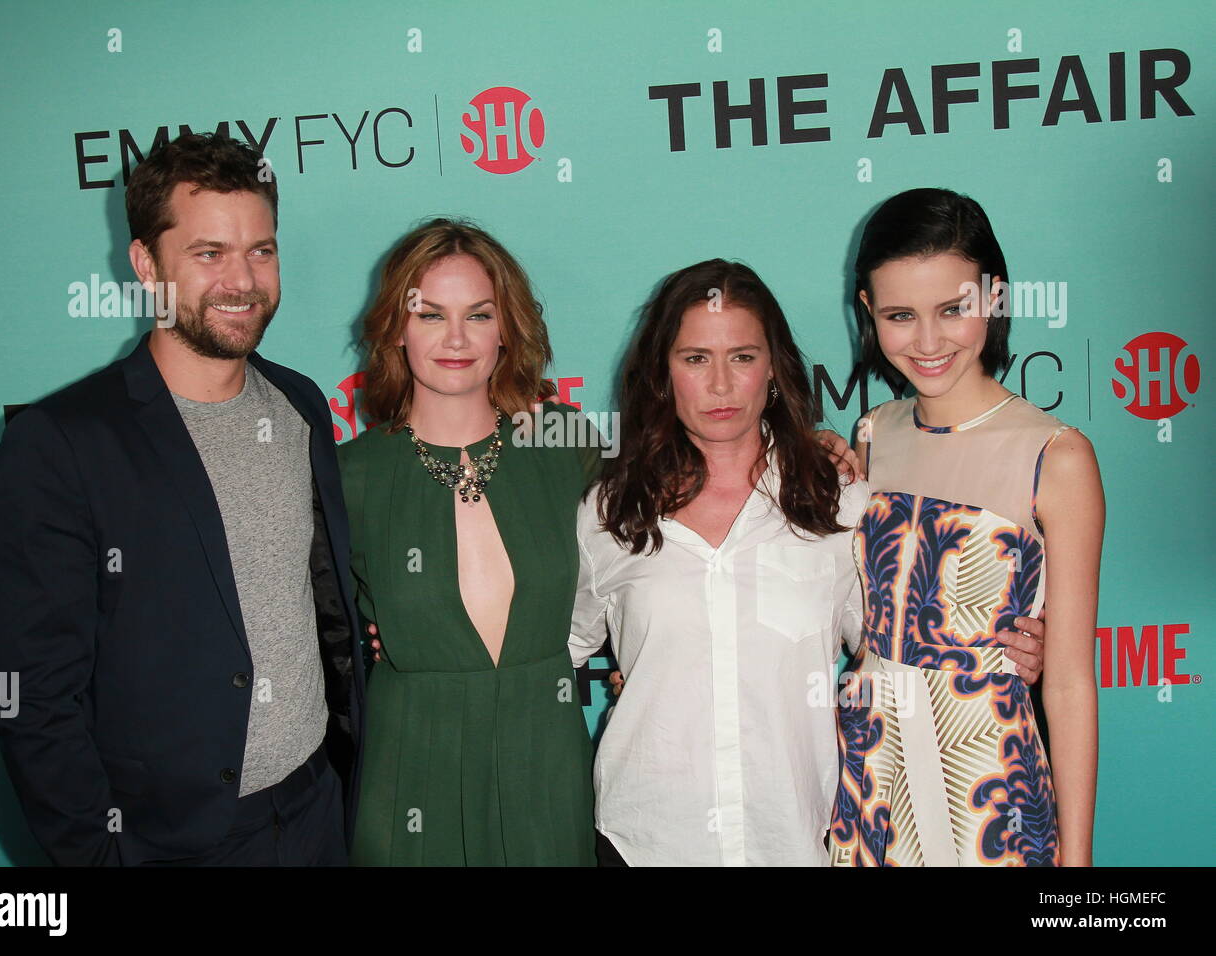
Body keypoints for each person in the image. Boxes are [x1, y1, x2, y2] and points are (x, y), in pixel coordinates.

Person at [568, 260, 1048, 866]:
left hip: (798, 839)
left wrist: (1002, 649)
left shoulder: (839, 502)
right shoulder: (609, 513)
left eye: (742, 356)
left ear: (773, 370)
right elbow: (554, 653)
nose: (720, 384)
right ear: (663, 373)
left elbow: (900, 646)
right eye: (695, 358)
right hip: (644, 841)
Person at [0, 133, 365, 866]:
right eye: (209, 253)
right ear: (145, 264)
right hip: (170, 842)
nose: (242, 280)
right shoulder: (61, 444)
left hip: (317, 811)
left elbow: (317, 601)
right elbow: (34, 700)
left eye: (261, 249)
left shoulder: (300, 403)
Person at [828, 187, 1101, 867]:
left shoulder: (1057, 456)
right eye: (899, 315)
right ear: (868, 311)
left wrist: (1078, 865)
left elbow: (1067, 681)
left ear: (994, 298)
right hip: (869, 784)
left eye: (953, 309)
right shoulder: (872, 435)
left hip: (989, 790)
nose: (927, 342)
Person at [338, 218, 600, 865]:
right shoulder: (350, 476)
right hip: (412, 760)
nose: (456, 339)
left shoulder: (563, 443)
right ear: (396, 328)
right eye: (430, 315)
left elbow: (678, 503)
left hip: (545, 756)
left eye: (478, 315)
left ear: (506, 327)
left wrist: (806, 449)